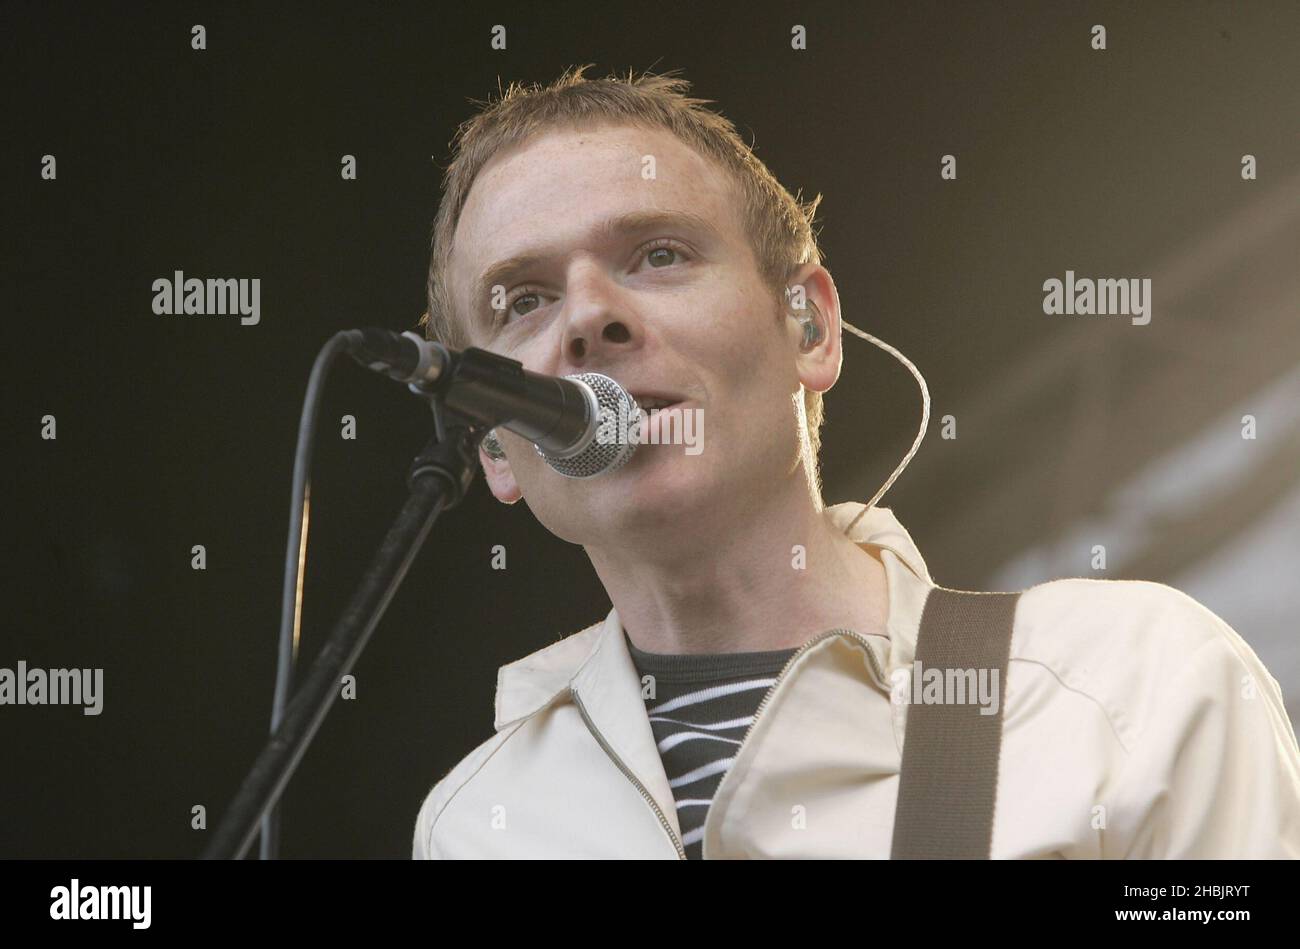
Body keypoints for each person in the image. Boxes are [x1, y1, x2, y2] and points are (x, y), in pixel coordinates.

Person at [411, 65, 1300, 858]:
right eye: (523, 299)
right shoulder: (478, 821)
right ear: (492, 442)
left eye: (658, 254)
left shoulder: (1137, 687)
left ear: (810, 327)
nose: (587, 317)